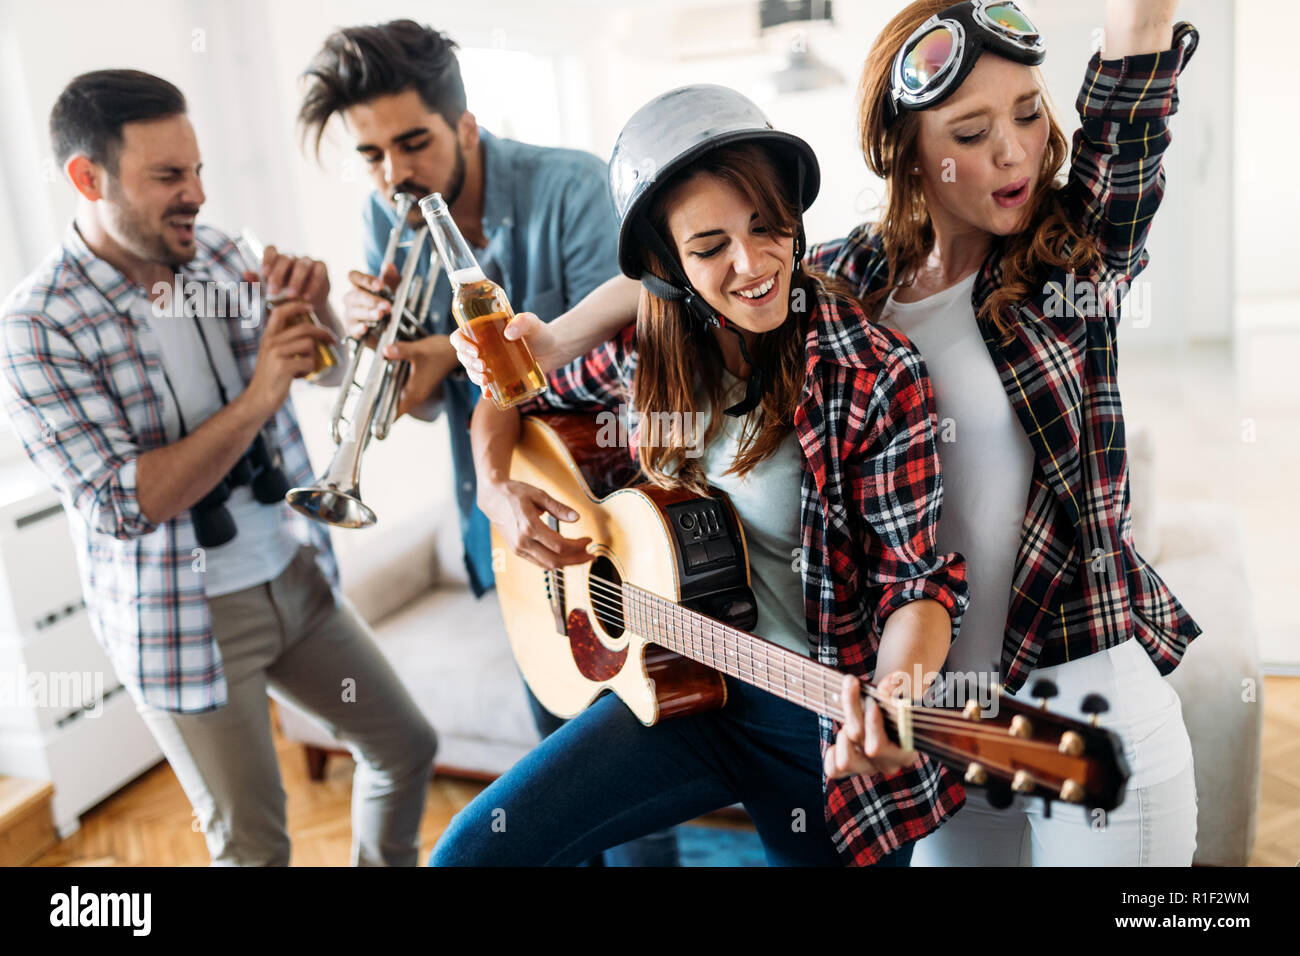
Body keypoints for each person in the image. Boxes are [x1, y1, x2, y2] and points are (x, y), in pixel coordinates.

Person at [456, 0, 1203, 867]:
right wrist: (556, 346)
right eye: (970, 130)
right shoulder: (848, 279)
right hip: (941, 725)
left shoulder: (1077, 262)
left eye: (1031, 114)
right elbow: (699, 277)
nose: (1013, 151)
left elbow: (1133, 75)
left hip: (1077, 699)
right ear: (908, 154)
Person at [432, 84, 970, 867]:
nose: (752, 265)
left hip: (815, 725)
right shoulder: (648, 354)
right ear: (670, 267)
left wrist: (895, 699)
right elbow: (506, 403)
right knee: (468, 854)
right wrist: (493, 491)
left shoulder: (872, 374)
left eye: (765, 226)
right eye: (710, 246)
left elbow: (913, 585)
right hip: (681, 684)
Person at [0, 69, 437, 866]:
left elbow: (331, 373)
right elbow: (124, 503)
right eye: (167, 176)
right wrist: (263, 390)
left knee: (404, 748)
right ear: (86, 178)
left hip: (293, 577)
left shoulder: (219, 256)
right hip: (184, 620)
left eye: (197, 169)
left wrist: (322, 314)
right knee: (255, 846)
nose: (196, 193)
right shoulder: (36, 326)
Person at [298, 18, 677, 867]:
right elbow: (413, 401)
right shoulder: (383, 211)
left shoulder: (572, 189)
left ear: (466, 127)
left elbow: (617, 367)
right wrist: (379, 349)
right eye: (370, 156)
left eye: (412, 143)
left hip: (615, 522)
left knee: (630, 786)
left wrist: (447, 353)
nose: (394, 175)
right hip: (501, 523)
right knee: (556, 763)